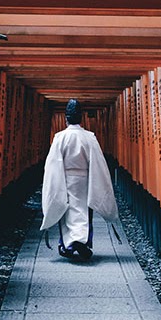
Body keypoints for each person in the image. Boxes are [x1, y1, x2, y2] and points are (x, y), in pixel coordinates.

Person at [40, 99, 118, 261]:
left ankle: (68, 244)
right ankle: (83, 241)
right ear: (81, 118)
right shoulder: (89, 137)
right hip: (85, 179)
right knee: (84, 211)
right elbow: (98, 161)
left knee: (66, 210)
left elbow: (53, 163)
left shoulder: (60, 137)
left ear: (66, 118)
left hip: (65, 179)